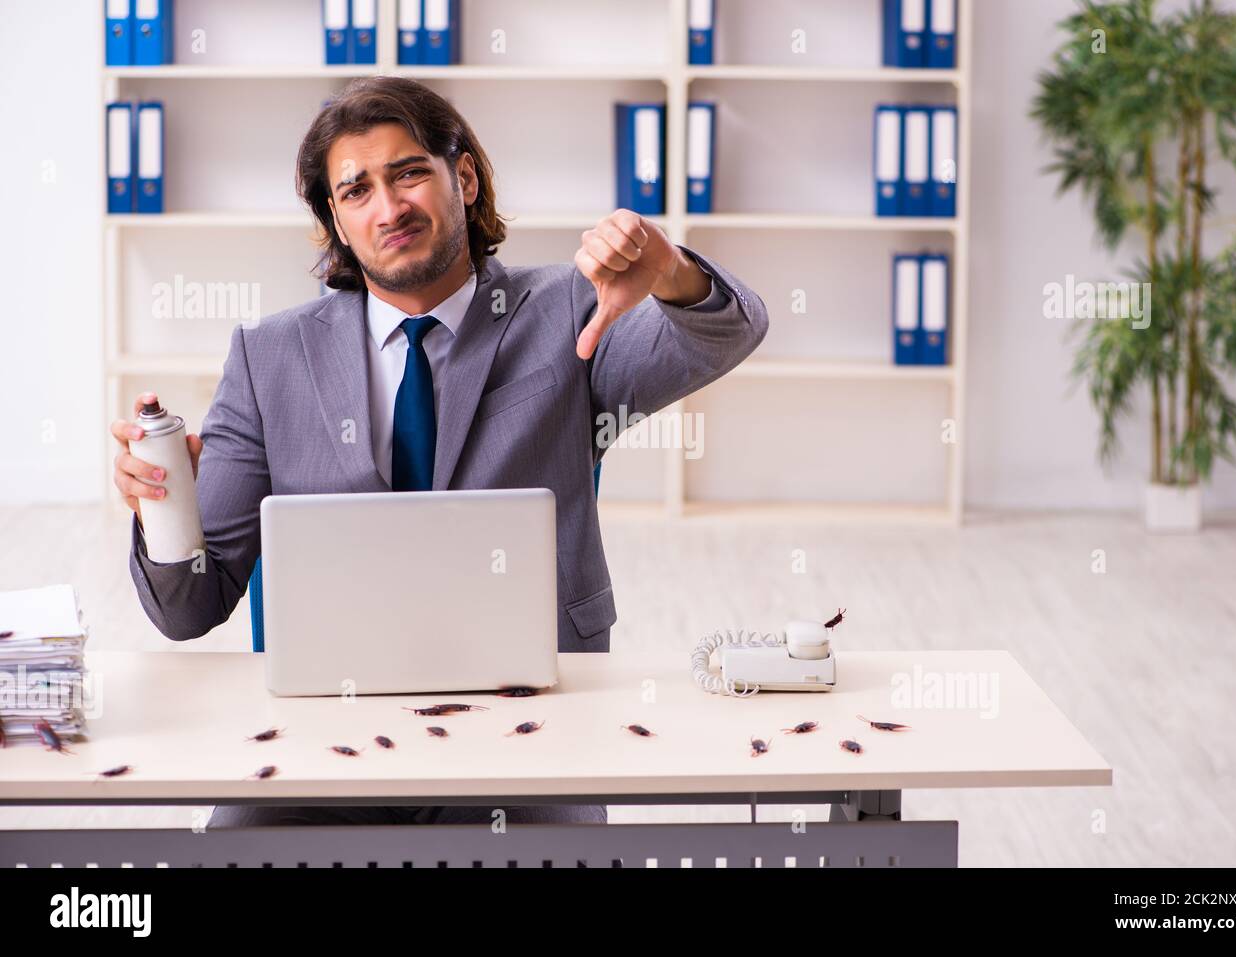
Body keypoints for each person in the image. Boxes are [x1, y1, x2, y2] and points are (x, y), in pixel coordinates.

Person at [108, 76, 768, 828]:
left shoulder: (571, 311)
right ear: (336, 221)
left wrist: (671, 270)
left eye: (409, 173)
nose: (388, 208)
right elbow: (190, 608)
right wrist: (166, 509)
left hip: (532, 718)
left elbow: (729, 329)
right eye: (355, 191)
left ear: (464, 176)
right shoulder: (270, 359)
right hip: (323, 728)